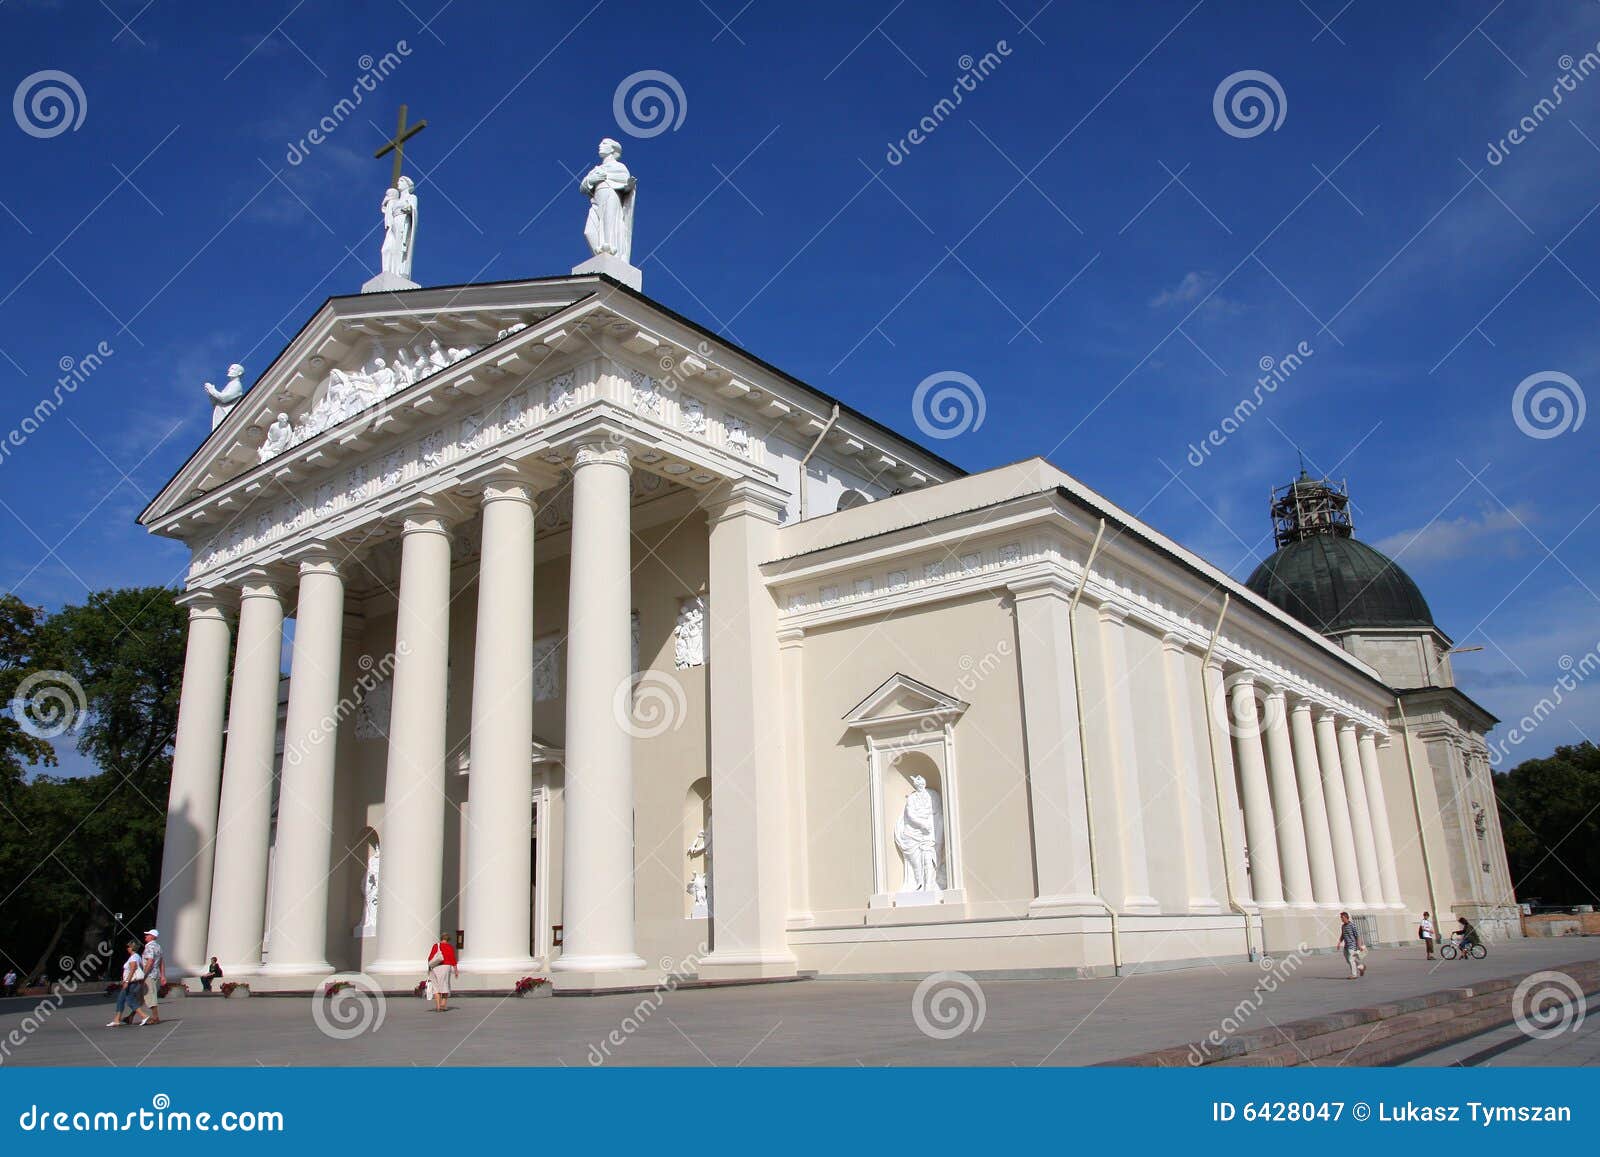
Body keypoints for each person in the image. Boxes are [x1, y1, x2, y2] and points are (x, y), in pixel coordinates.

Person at [107, 941, 150, 1027]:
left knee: (129, 1000)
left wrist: (127, 981)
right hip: (132, 982)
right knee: (121, 1000)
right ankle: (116, 1019)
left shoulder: (134, 957)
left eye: (128, 947)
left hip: (131, 983)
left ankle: (144, 1016)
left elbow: (133, 968)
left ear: (132, 948)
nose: (127, 948)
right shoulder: (135, 957)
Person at [427, 933, 457, 1012]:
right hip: (445, 966)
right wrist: (456, 970)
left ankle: (437, 1006)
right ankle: (443, 1005)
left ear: (441, 938)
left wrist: (429, 968)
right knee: (444, 985)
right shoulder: (450, 947)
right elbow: (453, 959)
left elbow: (430, 957)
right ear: (448, 939)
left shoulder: (436, 946)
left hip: (435, 967)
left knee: (436, 987)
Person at [140, 929, 166, 1023]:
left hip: (149, 975)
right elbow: (161, 962)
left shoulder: (149, 947)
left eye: (148, 935)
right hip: (155, 974)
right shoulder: (158, 946)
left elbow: (150, 961)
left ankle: (155, 1017)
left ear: (153, 937)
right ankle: (131, 1016)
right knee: (142, 996)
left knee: (150, 996)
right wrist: (163, 975)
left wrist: (143, 975)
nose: (146, 936)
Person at [1336, 911, 1365, 979]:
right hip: (1346, 946)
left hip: (1352, 946)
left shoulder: (1352, 925)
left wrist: (1359, 945)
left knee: (1351, 959)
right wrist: (1339, 943)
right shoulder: (1343, 926)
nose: (1341, 919)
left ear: (1346, 917)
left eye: (1342, 918)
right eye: (1341, 918)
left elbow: (1357, 936)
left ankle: (1354, 975)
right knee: (1348, 960)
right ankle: (1361, 966)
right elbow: (1342, 935)